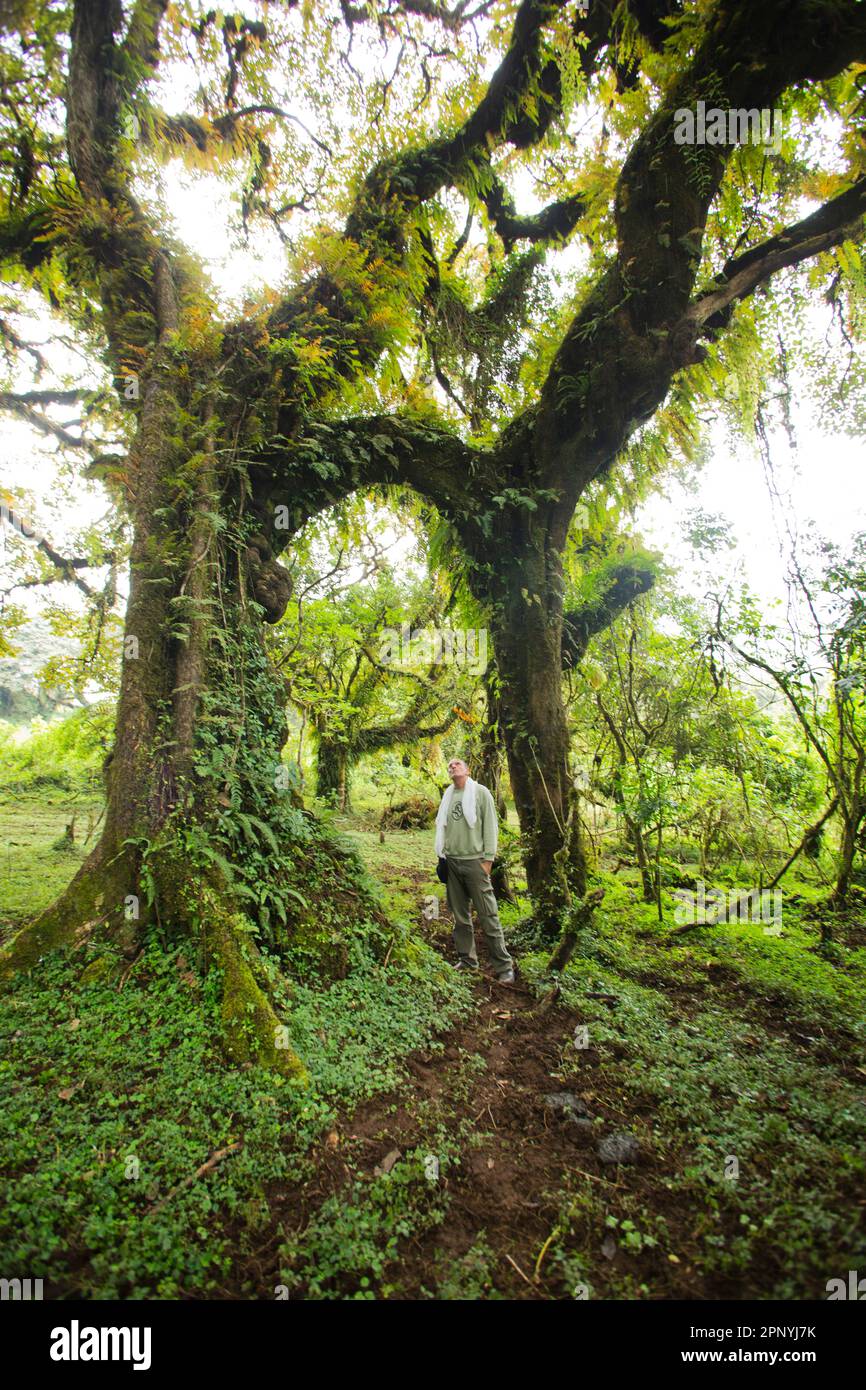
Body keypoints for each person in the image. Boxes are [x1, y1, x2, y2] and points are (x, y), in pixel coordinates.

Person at [435, 757, 514, 983]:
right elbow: (443, 827)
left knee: (488, 915)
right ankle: (467, 960)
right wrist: (442, 856)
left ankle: (504, 966)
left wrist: (488, 860)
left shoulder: (480, 793)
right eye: (449, 765)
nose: (452, 766)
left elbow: (490, 826)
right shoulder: (448, 796)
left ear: (467, 770)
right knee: (460, 916)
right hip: (452, 862)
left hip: (475, 862)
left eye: (457, 763)